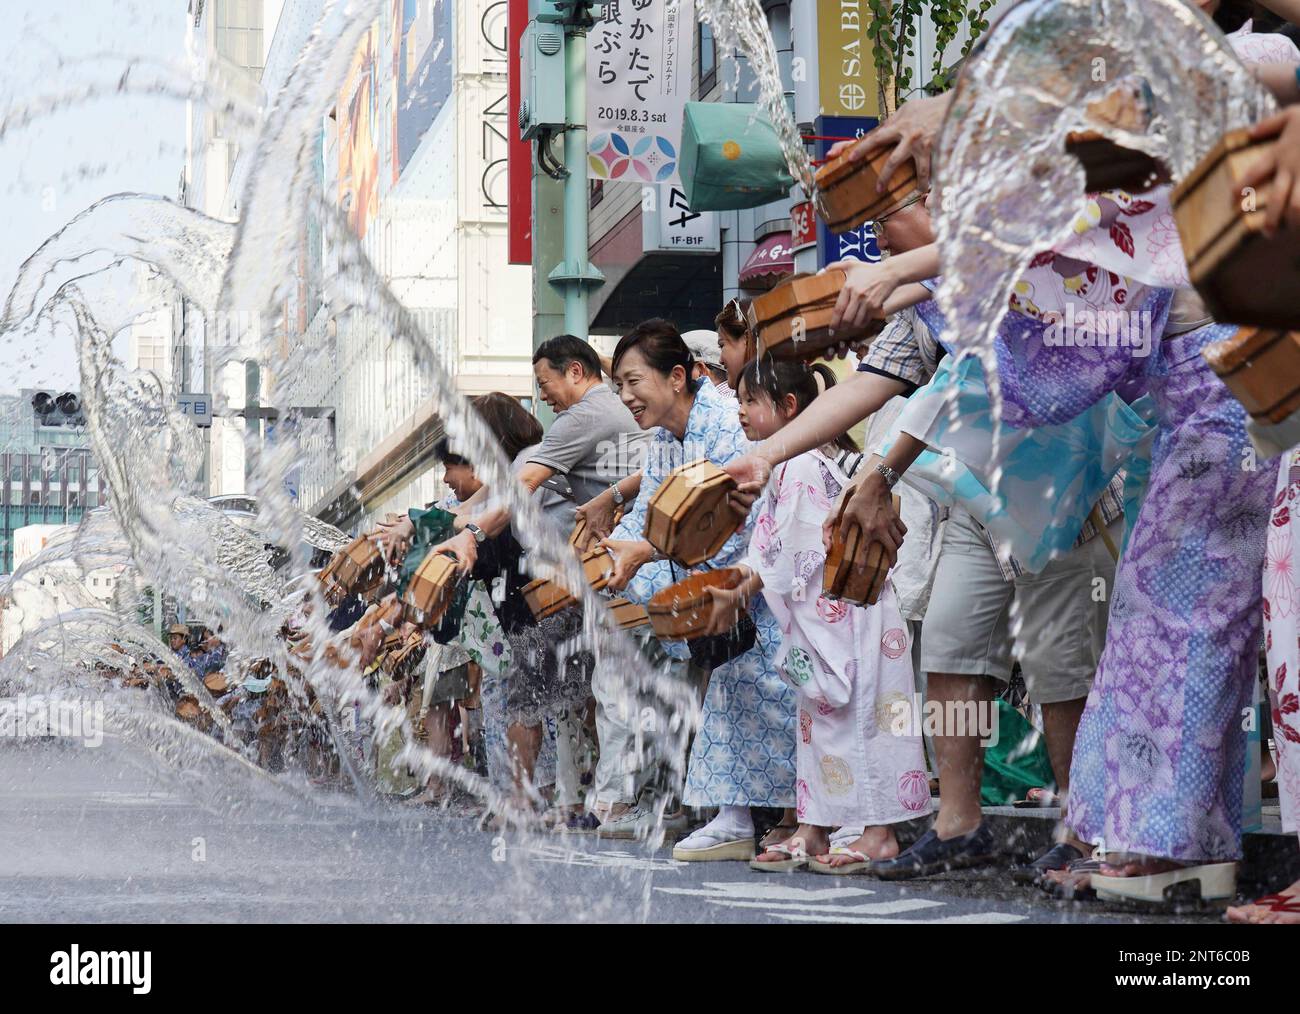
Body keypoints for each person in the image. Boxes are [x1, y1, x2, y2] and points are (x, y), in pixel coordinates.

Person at [711, 357, 930, 872]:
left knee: (869, 719)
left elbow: (792, 550)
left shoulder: (803, 462)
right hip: (820, 619)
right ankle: (814, 827)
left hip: (852, 611)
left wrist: (747, 581)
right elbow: (775, 548)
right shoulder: (789, 464)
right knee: (818, 724)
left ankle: (878, 833)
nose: (740, 412)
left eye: (750, 401)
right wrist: (746, 580)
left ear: (790, 408)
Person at [600, 318, 796, 860]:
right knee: (730, 701)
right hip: (715, 597)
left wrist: (651, 553)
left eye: (632, 381)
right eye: (619, 384)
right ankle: (736, 816)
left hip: (765, 584)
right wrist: (611, 557)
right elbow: (646, 515)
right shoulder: (665, 437)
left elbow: (730, 518)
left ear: (678, 377)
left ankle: (795, 816)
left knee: (781, 700)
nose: (625, 396)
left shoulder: (726, 422)